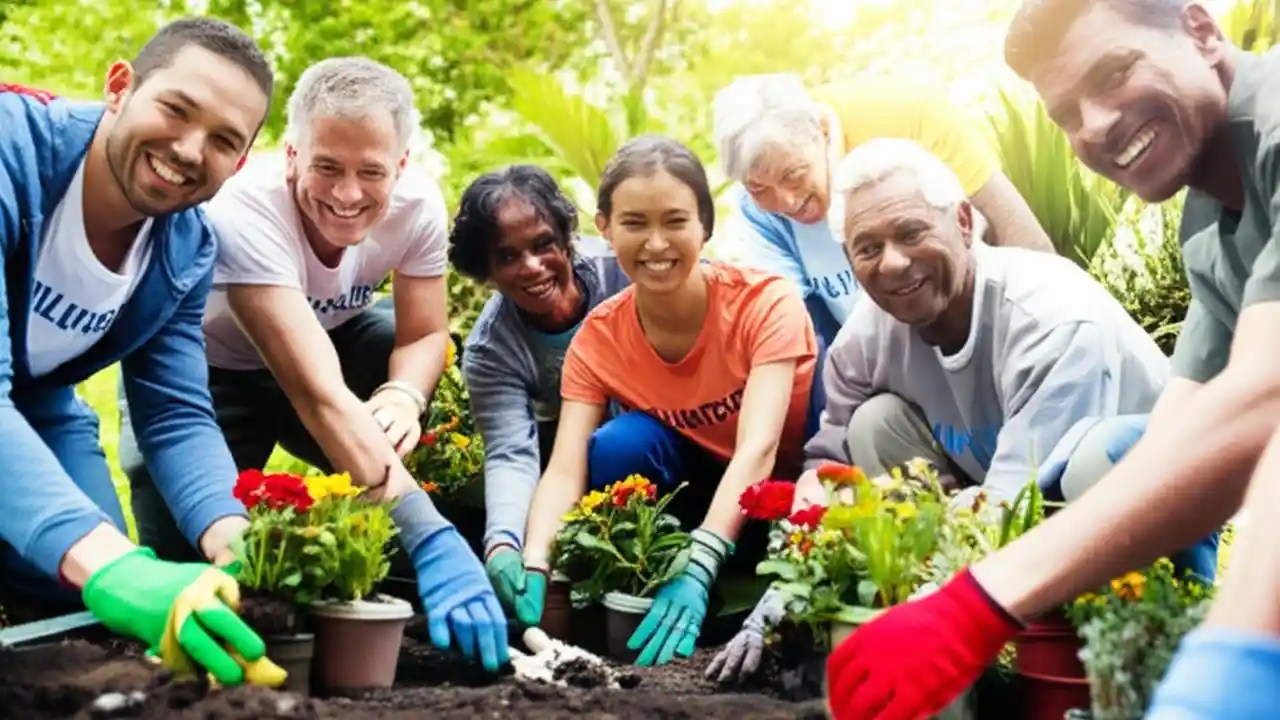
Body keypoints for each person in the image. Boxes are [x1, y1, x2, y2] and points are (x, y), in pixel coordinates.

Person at [823, 1, 1280, 718]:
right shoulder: (1211, 226)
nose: (1094, 126)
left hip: (1072, 475)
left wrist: (1228, 663)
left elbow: (1266, 397)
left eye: (1114, 71)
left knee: (1109, 452)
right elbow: (1180, 432)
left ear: (1199, 28)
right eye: (1066, 113)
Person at [708, 137, 1172, 683]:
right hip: (998, 494)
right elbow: (825, 472)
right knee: (872, 425)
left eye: (910, 233)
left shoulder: (1050, 320)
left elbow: (1013, 506)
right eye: (868, 248)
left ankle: (1114, 643)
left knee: (1097, 457)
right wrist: (790, 584)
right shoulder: (864, 339)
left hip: (1141, 497)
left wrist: (919, 627)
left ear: (964, 222)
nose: (894, 263)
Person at [118, 56, 508, 673]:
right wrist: (433, 539)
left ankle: (421, 560)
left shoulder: (417, 207)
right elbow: (318, 394)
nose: (348, 193)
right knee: (191, 570)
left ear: (400, 166)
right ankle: (419, 533)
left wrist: (404, 395)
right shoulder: (245, 207)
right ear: (293, 154)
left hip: (332, 349)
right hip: (211, 378)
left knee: (382, 340)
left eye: (370, 172)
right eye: (326, 166)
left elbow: (427, 332)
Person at [0, 18, 278, 685]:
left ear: (239, 162)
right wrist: (109, 563)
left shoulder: (185, 250)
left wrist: (234, 541)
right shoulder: (12, 149)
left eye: (222, 141)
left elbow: (176, 416)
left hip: (33, 406)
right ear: (120, 86)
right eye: (175, 110)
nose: (187, 149)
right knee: (94, 558)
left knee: (82, 598)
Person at [507, 135, 817, 667]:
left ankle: (716, 583)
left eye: (675, 221)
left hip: (789, 502)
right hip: (693, 502)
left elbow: (759, 448)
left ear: (705, 226)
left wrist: (702, 563)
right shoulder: (599, 338)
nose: (655, 244)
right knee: (618, 446)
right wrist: (536, 563)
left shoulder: (765, 304)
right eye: (634, 223)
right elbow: (565, 469)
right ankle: (652, 588)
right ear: (603, 228)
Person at [712, 73, 1054, 346]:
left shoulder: (905, 114)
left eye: (793, 175)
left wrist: (1051, 328)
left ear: (824, 132)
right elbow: (794, 325)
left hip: (977, 321)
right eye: (759, 188)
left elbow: (1015, 228)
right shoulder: (757, 210)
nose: (784, 202)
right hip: (881, 364)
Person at [446, 165, 631, 624]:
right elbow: (511, 453)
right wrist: (504, 543)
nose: (531, 266)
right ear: (486, 270)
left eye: (543, 244)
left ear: (567, 238)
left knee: (622, 442)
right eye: (507, 257)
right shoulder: (492, 349)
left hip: (649, 438)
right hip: (564, 452)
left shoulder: (623, 277)